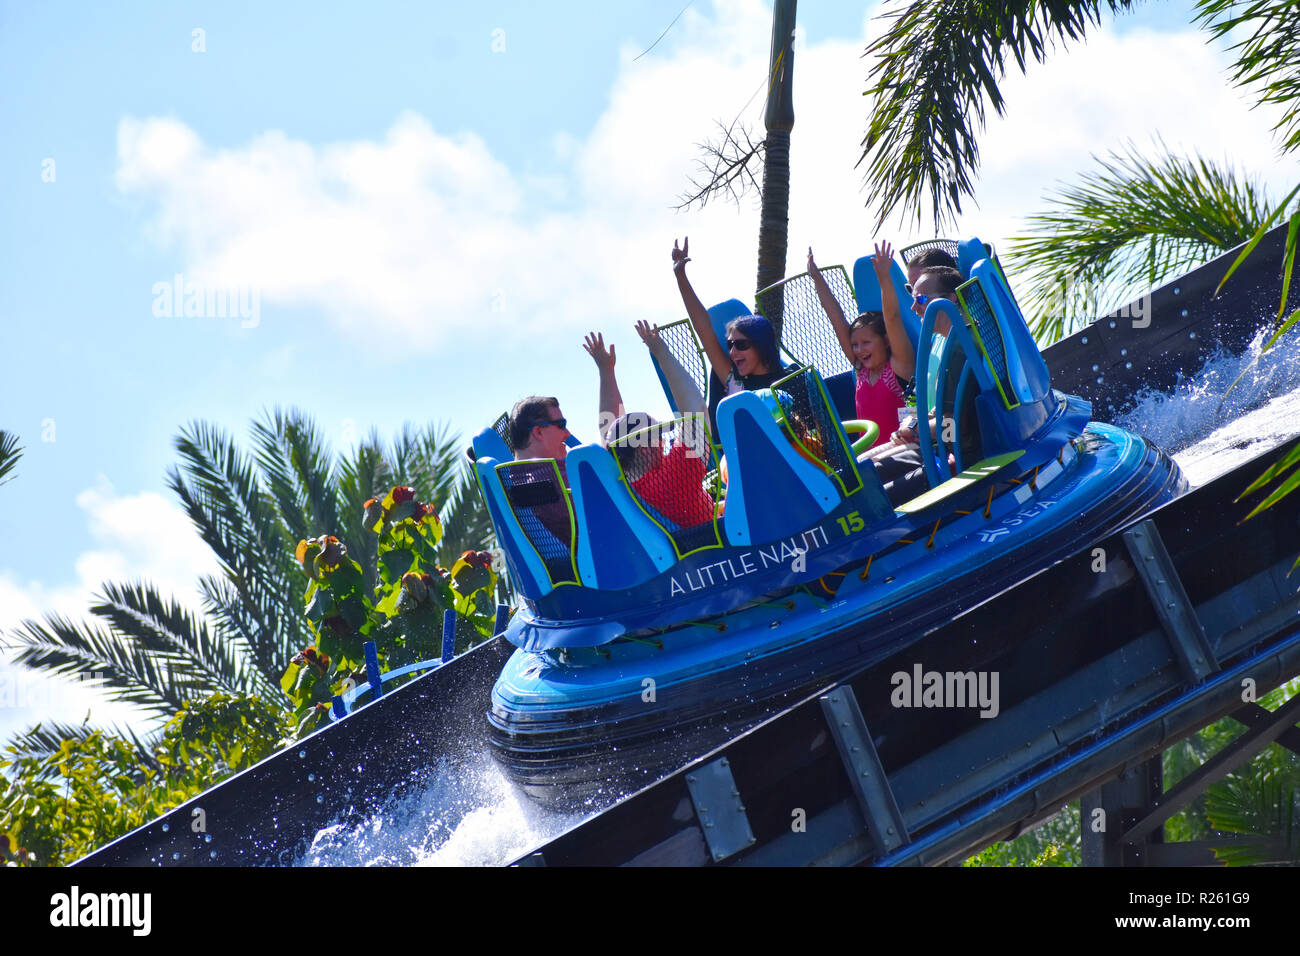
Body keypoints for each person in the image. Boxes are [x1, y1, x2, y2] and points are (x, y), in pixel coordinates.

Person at [582, 328, 714, 528]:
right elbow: (696, 412)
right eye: (658, 434)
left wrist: (606, 371)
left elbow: (610, 430)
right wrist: (662, 352)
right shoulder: (673, 478)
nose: (664, 441)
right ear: (644, 448)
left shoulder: (617, 484)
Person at [671, 237, 790, 435]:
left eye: (741, 345)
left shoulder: (789, 379)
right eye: (730, 345)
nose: (733, 352)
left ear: (761, 345)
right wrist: (681, 277)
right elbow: (705, 334)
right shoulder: (735, 381)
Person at [807, 241, 915, 448]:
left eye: (866, 342)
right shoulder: (861, 370)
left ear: (885, 340)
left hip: (903, 451)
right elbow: (836, 318)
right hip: (872, 459)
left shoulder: (899, 366)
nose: (858, 350)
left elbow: (891, 317)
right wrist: (816, 276)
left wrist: (884, 277)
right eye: (855, 344)